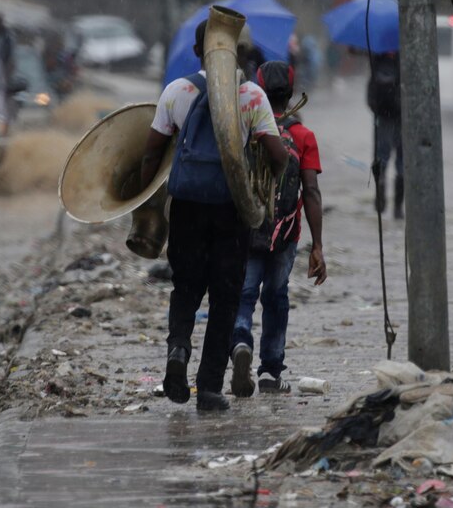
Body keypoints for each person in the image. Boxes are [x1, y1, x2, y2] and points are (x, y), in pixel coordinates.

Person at [139, 21, 288, 412]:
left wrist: (146, 208)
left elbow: (151, 152)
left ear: (195, 52)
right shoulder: (252, 96)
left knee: (185, 289)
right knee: (225, 298)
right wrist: (265, 182)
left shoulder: (177, 90)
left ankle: (177, 350)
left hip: (187, 206)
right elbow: (277, 156)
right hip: (231, 208)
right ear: (239, 54)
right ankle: (208, 388)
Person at [230, 61, 327, 398]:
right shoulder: (302, 136)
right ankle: (270, 371)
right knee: (276, 299)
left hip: (247, 229)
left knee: (243, 294)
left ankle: (241, 339)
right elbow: (311, 192)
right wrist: (318, 246)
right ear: (290, 92)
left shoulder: (244, 131)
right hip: (285, 236)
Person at [366, 51, 404, 218]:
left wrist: (376, 107)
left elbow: (371, 91)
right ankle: (398, 208)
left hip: (382, 114)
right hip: (402, 114)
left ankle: (380, 198)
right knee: (402, 161)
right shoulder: (407, 52)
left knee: (381, 156)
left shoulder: (377, 54)